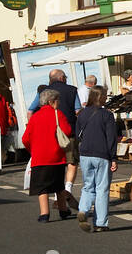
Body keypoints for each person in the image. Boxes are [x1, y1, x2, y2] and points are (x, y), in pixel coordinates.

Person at [28, 69, 81, 212]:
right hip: (67, 136)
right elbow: (77, 111)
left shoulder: (43, 91)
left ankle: (46, 211)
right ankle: (67, 190)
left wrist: (35, 131)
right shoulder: (72, 90)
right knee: (71, 163)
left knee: (48, 175)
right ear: (62, 78)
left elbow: (30, 110)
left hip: (46, 140)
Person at [22, 90, 73, 222]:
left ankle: (44, 213)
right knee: (58, 185)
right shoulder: (58, 114)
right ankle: (63, 209)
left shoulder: (34, 117)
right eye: (57, 100)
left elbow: (25, 139)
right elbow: (67, 131)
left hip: (39, 157)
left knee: (41, 187)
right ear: (51, 101)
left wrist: (32, 150)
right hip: (56, 156)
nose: (59, 103)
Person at [75, 86, 117, 233]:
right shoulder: (107, 115)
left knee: (88, 185)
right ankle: (100, 223)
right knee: (102, 189)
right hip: (102, 154)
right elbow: (111, 138)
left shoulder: (82, 114)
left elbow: (77, 135)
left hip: (85, 153)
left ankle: (83, 209)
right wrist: (113, 157)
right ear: (102, 97)